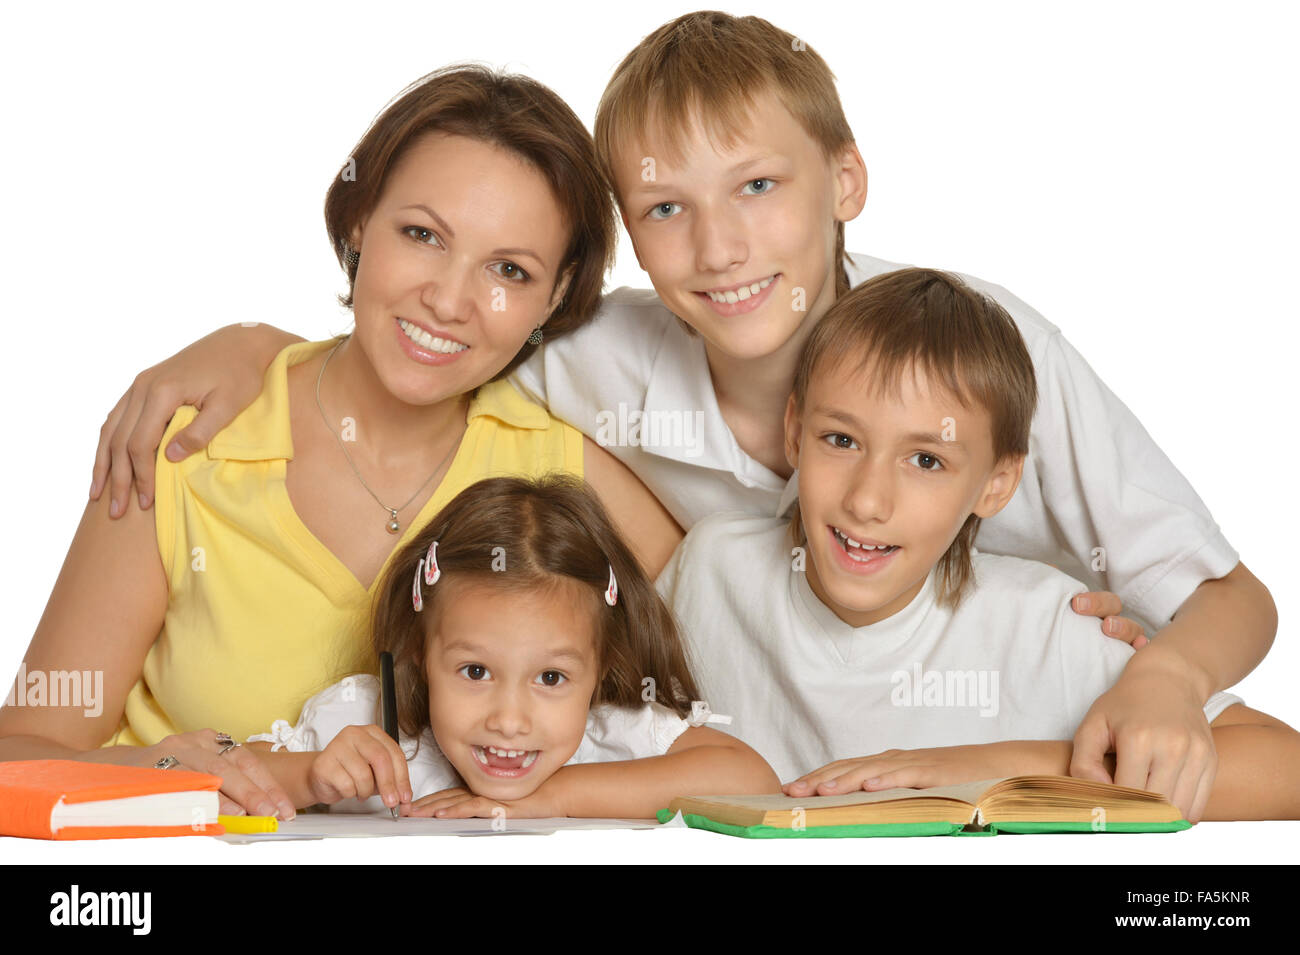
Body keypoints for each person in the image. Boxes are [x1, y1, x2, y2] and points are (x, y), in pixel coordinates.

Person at [83, 13, 1277, 820]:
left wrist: (1158, 679)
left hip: (1011, 696)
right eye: (663, 209)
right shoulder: (599, 358)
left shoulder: (970, 350)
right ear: (621, 241)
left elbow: (1231, 599)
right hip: (770, 767)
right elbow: (436, 340)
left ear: (844, 183)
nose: (716, 249)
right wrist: (254, 348)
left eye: (758, 186)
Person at [0, 64, 682, 820]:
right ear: (360, 221)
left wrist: (547, 794)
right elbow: (15, 754)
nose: (450, 300)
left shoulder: (559, 472)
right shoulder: (191, 446)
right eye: (422, 234)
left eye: (509, 270)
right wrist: (162, 767)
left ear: (553, 298)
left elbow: (735, 648)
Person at [657, 268, 1300, 821]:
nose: (867, 501)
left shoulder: (1044, 625)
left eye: (927, 460)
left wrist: (991, 774)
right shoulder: (711, 572)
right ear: (795, 430)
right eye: (842, 440)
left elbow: (1283, 765)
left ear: (996, 485)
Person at [243, 475, 778, 817]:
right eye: (475, 671)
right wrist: (310, 777)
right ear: (418, 652)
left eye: (550, 678)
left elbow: (752, 780)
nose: (509, 719)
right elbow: (202, 781)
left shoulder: (616, 735)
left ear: (602, 668)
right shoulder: (368, 724)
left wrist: (555, 798)